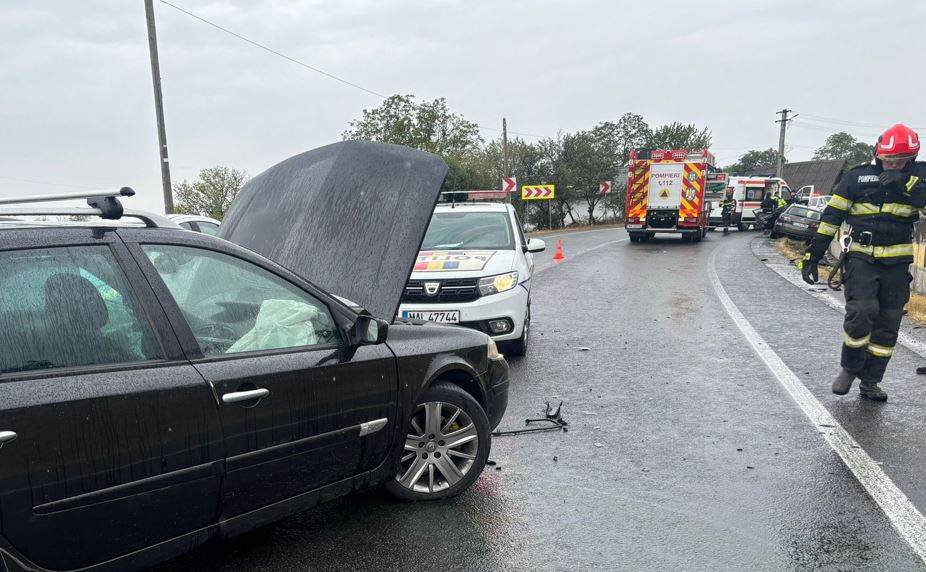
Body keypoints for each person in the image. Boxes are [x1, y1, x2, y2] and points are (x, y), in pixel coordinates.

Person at [800, 124, 925, 401]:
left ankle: (870, 382)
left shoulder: (920, 179)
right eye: (887, 159)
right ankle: (850, 367)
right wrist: (812, 257)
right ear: (877, 154)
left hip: (896, 264)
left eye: (899, 160)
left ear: (911, 159)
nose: (892, 164)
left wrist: (911, 190)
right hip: (861, 258)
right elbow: (830, 218)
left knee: (888, 324)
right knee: (861, 312)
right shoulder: (857, 178)